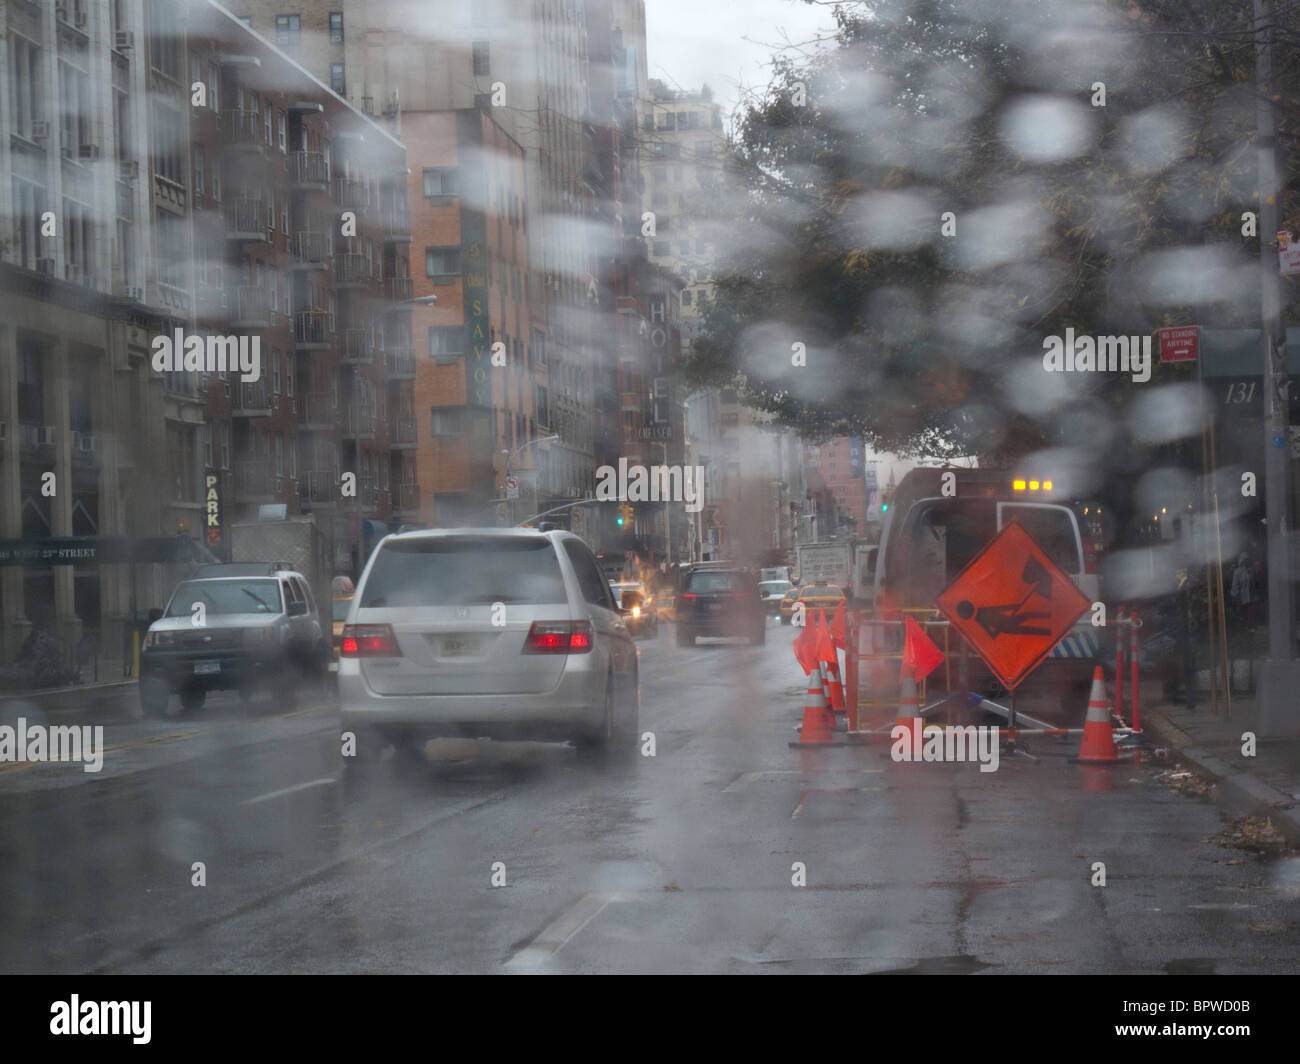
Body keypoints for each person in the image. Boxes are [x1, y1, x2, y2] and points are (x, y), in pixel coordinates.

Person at [1230, 553, 1255, 632]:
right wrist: (1236, 595)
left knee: (1250, 611)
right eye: (1246, 560)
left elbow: (1254, 581)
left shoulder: (1251, 570)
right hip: (1241, 596)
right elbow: (1235, 585)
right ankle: (1243, 627)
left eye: (1248, 560)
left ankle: (1250, 626)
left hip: (1251, 594)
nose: (1247, 562)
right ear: (1243, 561)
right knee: (1242, 612)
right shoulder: (1237, 571)